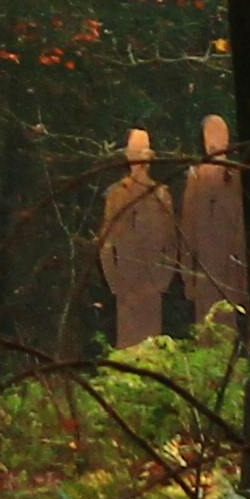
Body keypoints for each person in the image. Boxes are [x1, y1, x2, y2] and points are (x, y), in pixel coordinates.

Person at [99, 126, 177, 351]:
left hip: (152, 284)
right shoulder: (117, 194)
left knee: (151, 345)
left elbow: (171, 243)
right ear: (127, 156)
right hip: (126, 283)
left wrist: (163, 280)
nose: (143, 158)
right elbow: (106, 243)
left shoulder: (161, 194)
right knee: (128, 344)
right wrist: (115, 282)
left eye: (146, 151)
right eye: (137, 151)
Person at [175, 112, 246, 315]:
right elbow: (187, 228)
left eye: (220, 134)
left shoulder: (237, 175)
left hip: (232, 267)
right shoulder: (196, 177)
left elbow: (241, 224)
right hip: (205, 266)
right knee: (207, 323)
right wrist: (188, 275)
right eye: (210, 135)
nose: (215, 141)